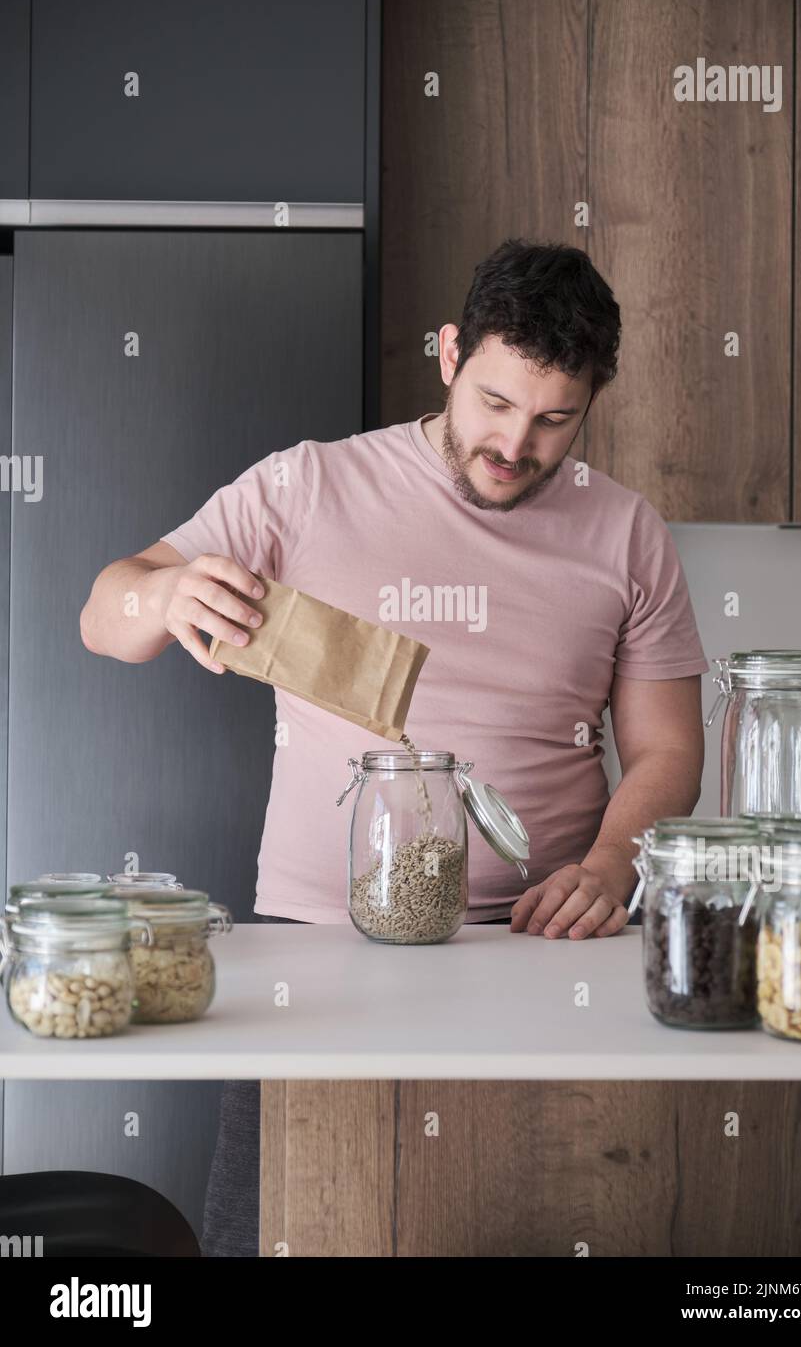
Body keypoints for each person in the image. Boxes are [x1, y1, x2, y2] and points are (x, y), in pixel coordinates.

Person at [80, 238, 709, 1255]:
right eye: (495, 403)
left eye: (554, 419)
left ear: (592, 400)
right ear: (450, 353)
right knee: (276, 1224)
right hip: (315, 951)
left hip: (540, 949)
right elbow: (105, 615)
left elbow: (665, 750)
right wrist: (164, 591)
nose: (515, 444)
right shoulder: (308, 487)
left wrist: (606, 866)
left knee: (518, 1222)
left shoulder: (625, 533)